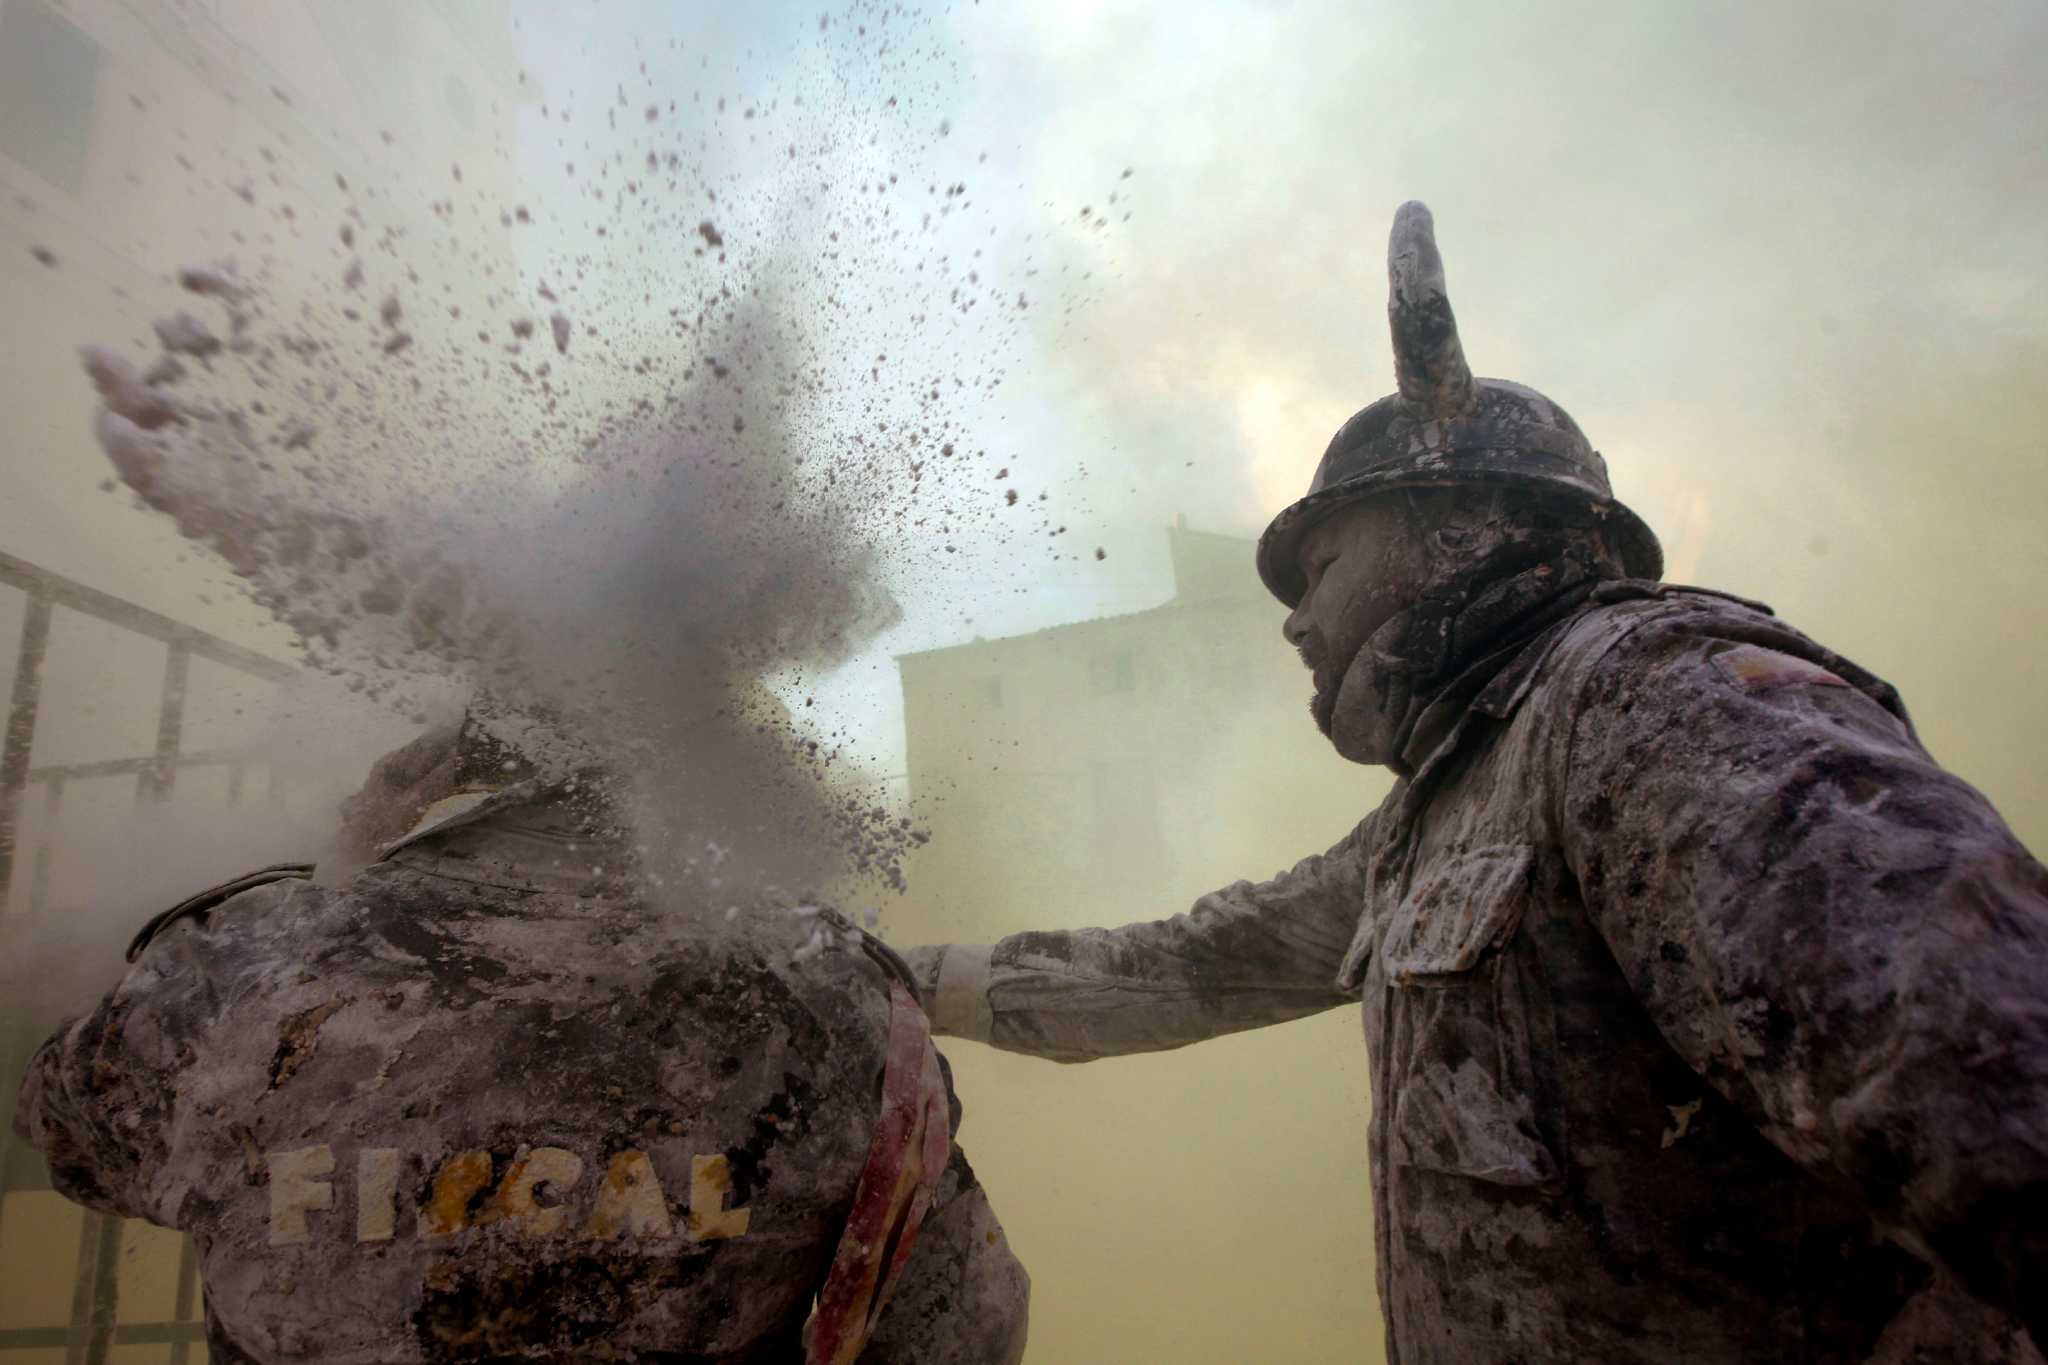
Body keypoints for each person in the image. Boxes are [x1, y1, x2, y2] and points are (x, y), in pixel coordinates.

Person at [907, 202, 2048, 1363]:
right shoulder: (1435, 813)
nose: (1296, 621)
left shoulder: (1646, 699)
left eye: (1320, 564)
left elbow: (1976, 1057)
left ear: (1454, 523)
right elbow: (1188, 967)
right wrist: (909, 979)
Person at [15, 714, 1029, 1363]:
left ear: (450, 777)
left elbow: (77, 1141)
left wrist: (346, 859)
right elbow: (958, 1327)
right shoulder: (829, 995)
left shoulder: (232, 968)